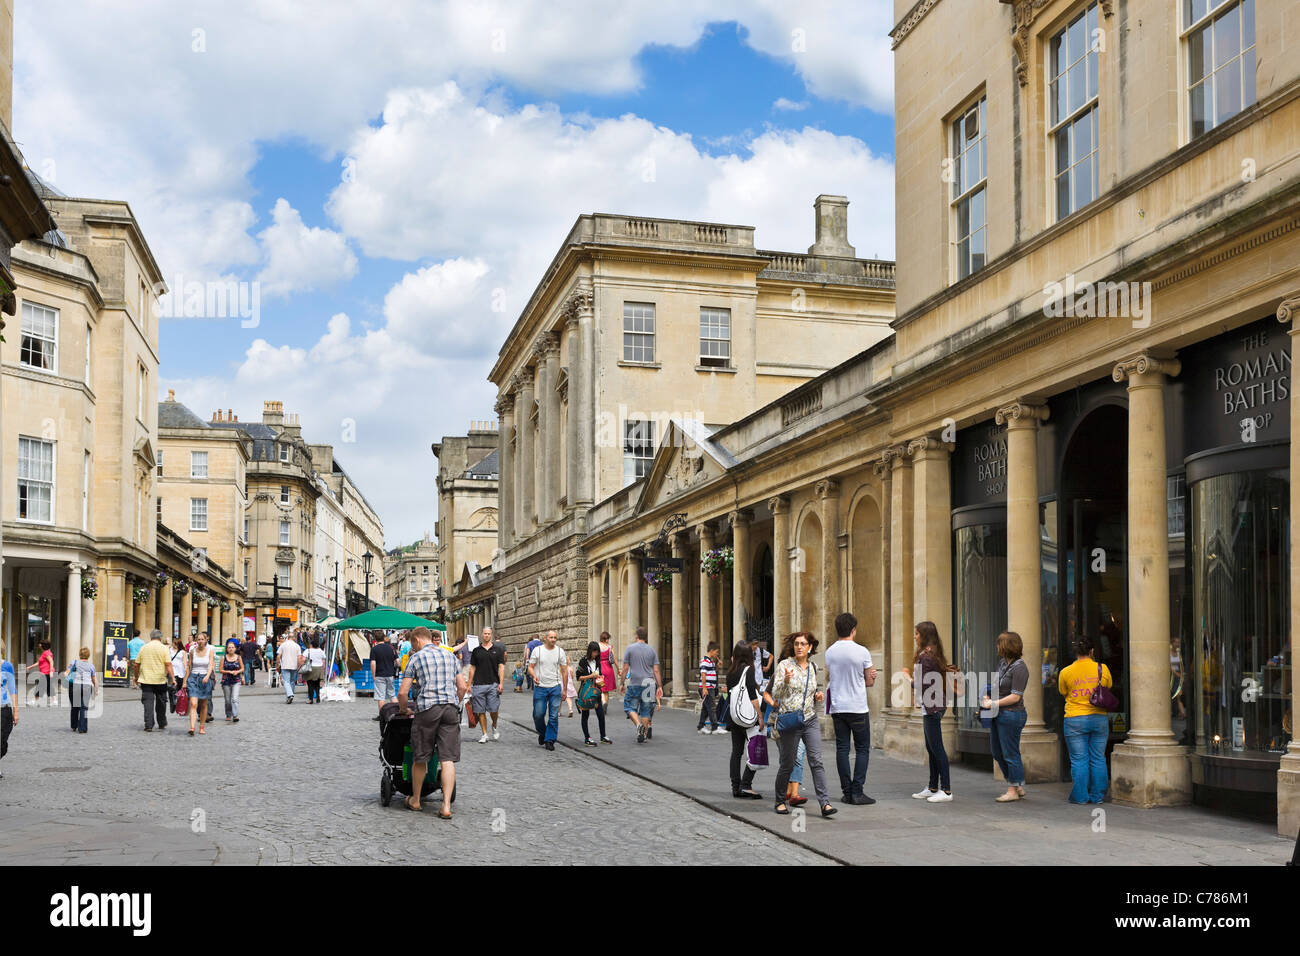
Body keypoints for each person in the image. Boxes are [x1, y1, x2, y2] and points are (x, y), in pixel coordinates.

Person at [397, 626, 466, 818]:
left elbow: (403, 692)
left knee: (421, 757)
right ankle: (445, 806)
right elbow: (462, 687)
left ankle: (416, 800)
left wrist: (403, 709)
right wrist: (454, 702)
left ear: (417, 640)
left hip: (427, 709)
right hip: (450, 708)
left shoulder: (416, 658)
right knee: (447, 759)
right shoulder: (450, 656)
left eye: (413, 644)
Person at [767, 632, 836, 818]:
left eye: (803, 644)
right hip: (790, 720)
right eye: (797, 643)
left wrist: (817, 696)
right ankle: (780, 800)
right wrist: (787, 680)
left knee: (816, 760)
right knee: (788, 763)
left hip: (809, 719)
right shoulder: (784, 665)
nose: (799, 647)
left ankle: (825, 803)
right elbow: (776, 693)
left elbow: (812, 691)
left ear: (810, 647)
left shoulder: (813, 667)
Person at [825, 612, 877, 805]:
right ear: (853, 630)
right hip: (857, 706)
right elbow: (869, 682)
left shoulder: (829, 652)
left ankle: (847, 792)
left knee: (842, 749)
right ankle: (857, 792)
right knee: (862, 749)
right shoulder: (862, 652)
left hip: (838, 707)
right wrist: (871, 675)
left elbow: (831, 676)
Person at [904, 621, 957, 803]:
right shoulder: (931, 653)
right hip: (933, 706)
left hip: (932, 707)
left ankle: (947, 790)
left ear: (924, 636)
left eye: (917, 633)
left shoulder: (926, 657)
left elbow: (921, 683)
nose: (915, 636)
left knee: (937, 748)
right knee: (932, 747)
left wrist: (907, 677)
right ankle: (933, 786)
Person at [1058, 634, 1113, 805]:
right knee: (1098, 757)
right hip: (1099, 718)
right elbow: (1108, 687)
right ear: (1092, 651)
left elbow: (1063, 692)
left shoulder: (1065, 672)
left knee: (1079, 759)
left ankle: (1080, 797)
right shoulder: (1102, 669)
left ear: (1075, 652)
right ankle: (1097, 796)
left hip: (1074, 718)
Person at [983, 630, 1029, 802]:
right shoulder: (1003, 664)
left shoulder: (1020, 667)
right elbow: (998, 688)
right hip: (999, 713)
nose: (997, 647)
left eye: (999, 643)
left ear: (1005, 646)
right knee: (997, 751)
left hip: (1012, 714)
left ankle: (1012, 790)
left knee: (1010, 752)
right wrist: (989, 696)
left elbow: (1015, 696)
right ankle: (1016, 784)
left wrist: (993, 703)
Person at [726, 643, 764, 799]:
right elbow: (752, 695)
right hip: (749, 716)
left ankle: (736, 787)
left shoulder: (730, 672)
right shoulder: (749, 670)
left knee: (736, 752)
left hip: (735, 717)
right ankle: (746, 784)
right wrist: (760, 716)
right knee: (757, 748)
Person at [620, 626, 662, 744]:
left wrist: (622, 683)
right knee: (645, 710)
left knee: (629, 707)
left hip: (635, 682)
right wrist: (659, 686)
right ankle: (643, 735)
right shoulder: (652, 650)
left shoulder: (630, 649)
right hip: (649, 683)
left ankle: (639, 726)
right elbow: (656, 670)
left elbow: (625, 668)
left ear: (636, 636)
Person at [528, 630, 569, 751]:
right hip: (540, 687)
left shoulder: (560, 651)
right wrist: (533, 675)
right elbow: (530, 667)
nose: (553, 640)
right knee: (538, 714)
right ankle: (543, 732)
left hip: (555, 687)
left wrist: (564, 689)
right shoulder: (538, 650)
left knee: (553, 716)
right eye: (551, 637)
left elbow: (564, 670)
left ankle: (549, 740)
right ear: (545, 638)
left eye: (555, 638)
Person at [468, 627, 506, 743]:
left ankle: (494, 725)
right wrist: (469, 684)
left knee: (494, 709)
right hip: (478, 684)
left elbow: (501, 667)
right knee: (480, 711)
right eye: (485, 634)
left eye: (489, 634)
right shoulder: (476, 650)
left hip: (493, 683)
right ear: (482, 634)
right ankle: (484, 734)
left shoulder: (497, 650)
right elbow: (472, 668)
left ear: (491, 635)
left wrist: (501, 683)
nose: (486, 636)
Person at [137, 630, 175, 733]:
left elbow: (137, 664)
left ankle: (148, 725)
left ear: (150, 637)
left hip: (146, 679)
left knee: (148, 703)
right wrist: (173, 678)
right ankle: (162, 722)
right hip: (160, 680)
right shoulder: (164, 648)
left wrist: (136, 677)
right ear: (160, 638)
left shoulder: (144, 647)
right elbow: (168, 664)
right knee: (161, 702)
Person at [575, 641, 611, 746]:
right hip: (586, 692)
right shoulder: (583, 661)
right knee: (585, 714)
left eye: (597, 653)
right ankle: (587, 738)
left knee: (600, 713)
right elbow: (578, 677)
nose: (596, 655)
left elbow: (599, 674)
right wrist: (590, 676)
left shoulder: (598, 661)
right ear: (590, 651)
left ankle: (603, 736)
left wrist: (601, 678)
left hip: (596, 691)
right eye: (594, 652)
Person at [186, 633, 216, 736]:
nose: (200, 641)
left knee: (203, 704)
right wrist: (185, 681)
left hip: (205, 678)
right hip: (193, 678)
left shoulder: (210, 651)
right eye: (198, 639)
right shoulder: (192, 651)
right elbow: (189, 666)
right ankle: (192, 727)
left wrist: (207, 676)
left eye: (202, 639)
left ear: (206, 640)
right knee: (193, 703)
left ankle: (202, 726)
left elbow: (211, 664)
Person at [68, 647, 97, 734]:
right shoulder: (91, 666)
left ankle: (74, 726)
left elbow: (67, 672)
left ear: (79, 654)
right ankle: (82, 728)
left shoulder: (73, 663)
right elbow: (94, 679)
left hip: (75, 686)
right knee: (84, 708)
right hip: (87, 687)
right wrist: (96, 689)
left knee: (74, 707)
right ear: (88, 655)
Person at [370, 635, 399, 720]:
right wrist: (395, 671)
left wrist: (373, 675)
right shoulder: (391, 648)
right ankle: (397, 713)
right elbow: (397, 661)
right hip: (390, 674)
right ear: (383, 638)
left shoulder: (374, 649)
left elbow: (373, 663)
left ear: (375, 639)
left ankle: (382, 716)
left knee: (381, 696)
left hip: (379, 674)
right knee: (392, 695)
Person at [697, 642, 723, 734]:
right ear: (711, 651)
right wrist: (704, 688)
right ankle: (715, 727)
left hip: (710, 687)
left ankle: (701, 726)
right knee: (712, 707)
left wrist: (717, 667)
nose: (717, 654)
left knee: (706, 708)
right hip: (707, 688)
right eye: (716, 652)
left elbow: (711, 672)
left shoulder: (711, 661)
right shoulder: (705, 661)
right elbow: (703, 674)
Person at [1, 645, 17, 777]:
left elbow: (13, 690)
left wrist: (16, 711)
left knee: (3, 744)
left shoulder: (7, 666)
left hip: (4, 709)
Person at [25, 641, 55, 706]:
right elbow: (38, 663)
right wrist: (30, 667)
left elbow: (51, 662)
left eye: (40, 644)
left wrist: (51, 671)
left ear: (43, 645)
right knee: (48, 687)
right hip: (45, 673)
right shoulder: (45, 653)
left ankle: (33, 701)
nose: (39, 644)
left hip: (46, 673)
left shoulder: (46, 653)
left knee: (40, 687)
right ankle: (54, 701)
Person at [221, 640, 243, 721]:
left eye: (232, 647)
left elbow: (242, 668)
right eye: (229, 647)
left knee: (234, 698)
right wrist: (228, 671)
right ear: (227, 649)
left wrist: (237, 671)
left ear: (235, 648)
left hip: (236, 680)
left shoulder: (238, 657)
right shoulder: (224, 658)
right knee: (227, 700)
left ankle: (235, 715)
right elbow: (220, 669)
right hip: (226, 680)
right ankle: (228, 714)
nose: (231, 649)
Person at [277, 630, 302, 704]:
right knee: (292, 682)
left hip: (285, 665)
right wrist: (299, 665)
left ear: (288, 637)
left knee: (286, 681)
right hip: (294, 665)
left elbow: (278, 656)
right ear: (293, 638)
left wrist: (277, 664)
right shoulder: (297, 646)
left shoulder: (283, 645)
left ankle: (290, 695)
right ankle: (290, 696)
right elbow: (299, 657)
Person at [303, 635, 326, 704]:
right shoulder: (320, 651)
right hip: (319, 668)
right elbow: (324, 657)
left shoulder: (308, 651)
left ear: (311, 645)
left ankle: (311, 699)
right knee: (317, 685)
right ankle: (318, 698)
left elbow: (303, 658)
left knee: (310, 684)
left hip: (311, 668)